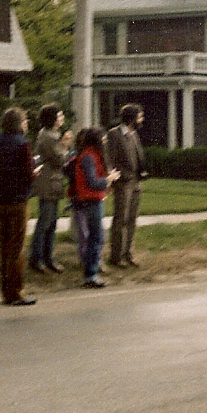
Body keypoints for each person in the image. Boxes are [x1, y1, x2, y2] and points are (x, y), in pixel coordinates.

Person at [0, 107, 37, 306]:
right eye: (24, 121)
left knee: (5, 246)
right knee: (17, 247)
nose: (26, 124)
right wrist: (33, 175)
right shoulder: (23, 144)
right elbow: (27, 174)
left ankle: (6, 290)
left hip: (1, 199)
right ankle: (16, 291)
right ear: (19, 123)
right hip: (18, 199)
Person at [29, 103, 73, 273]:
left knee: (51, 222)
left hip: (52, 182)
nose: (62, 118)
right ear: (53, 119)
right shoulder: (49, 137)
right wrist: (65, 146)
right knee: (46, 222)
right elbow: (59, 160)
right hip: (48, 183)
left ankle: (47, 257)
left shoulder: (51, 134)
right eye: (59, 116)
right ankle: (37, 258)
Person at [74, 127, 120, 288]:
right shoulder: (89, 157)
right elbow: (92, 182)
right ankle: (90, 274)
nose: (106, 142)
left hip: (94, 199)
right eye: (104, 139)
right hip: (91, 199)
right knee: (96, 237)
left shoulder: (92, 155)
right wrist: (108, 179)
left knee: (97, 236)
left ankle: (91, 272)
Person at [106, 103, 146, 267]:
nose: (141, 119)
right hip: (123, 183)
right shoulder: (115, 134)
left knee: (132, 219)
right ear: (131, 119)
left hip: (135, 181)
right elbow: (110, 158)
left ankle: (127, 252)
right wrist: (114, 179)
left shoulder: (134, 134)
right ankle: (116, 256)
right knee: (121, 219)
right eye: (139, 116)